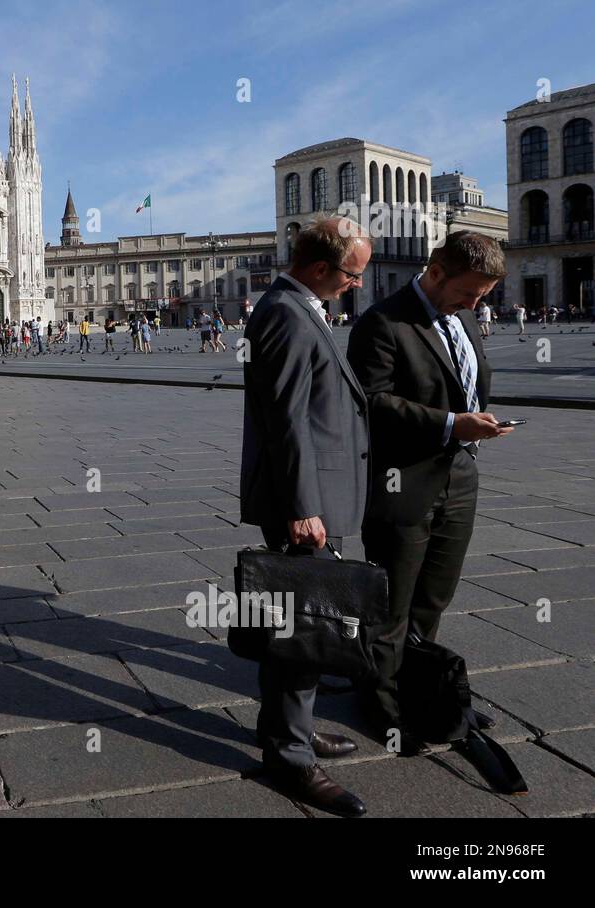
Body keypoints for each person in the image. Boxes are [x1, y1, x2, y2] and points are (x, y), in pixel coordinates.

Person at [347, 232, 512, 748]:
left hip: (459, 474)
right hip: (404, 481)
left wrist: (472, 426)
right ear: (436, 272)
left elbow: (466, 383)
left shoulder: (461, 318)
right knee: (392, 606)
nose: (475, 304)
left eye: (482, 296)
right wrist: (449, 424)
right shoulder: (383, 322)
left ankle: (421, 691)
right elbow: (371, 402)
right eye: (470, 293)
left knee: (433, 598)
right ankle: (380, 704)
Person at [240, 218, 373, 818]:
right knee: (304, 628)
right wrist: (303, 508)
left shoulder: (302, 303)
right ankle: (291, 758)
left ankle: (291, 727)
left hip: (316, 494)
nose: (357, 284)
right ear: (320, 268)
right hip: (306, 502)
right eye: (352, 273)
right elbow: (287, 419)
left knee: (300, 621)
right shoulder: (288, 314)